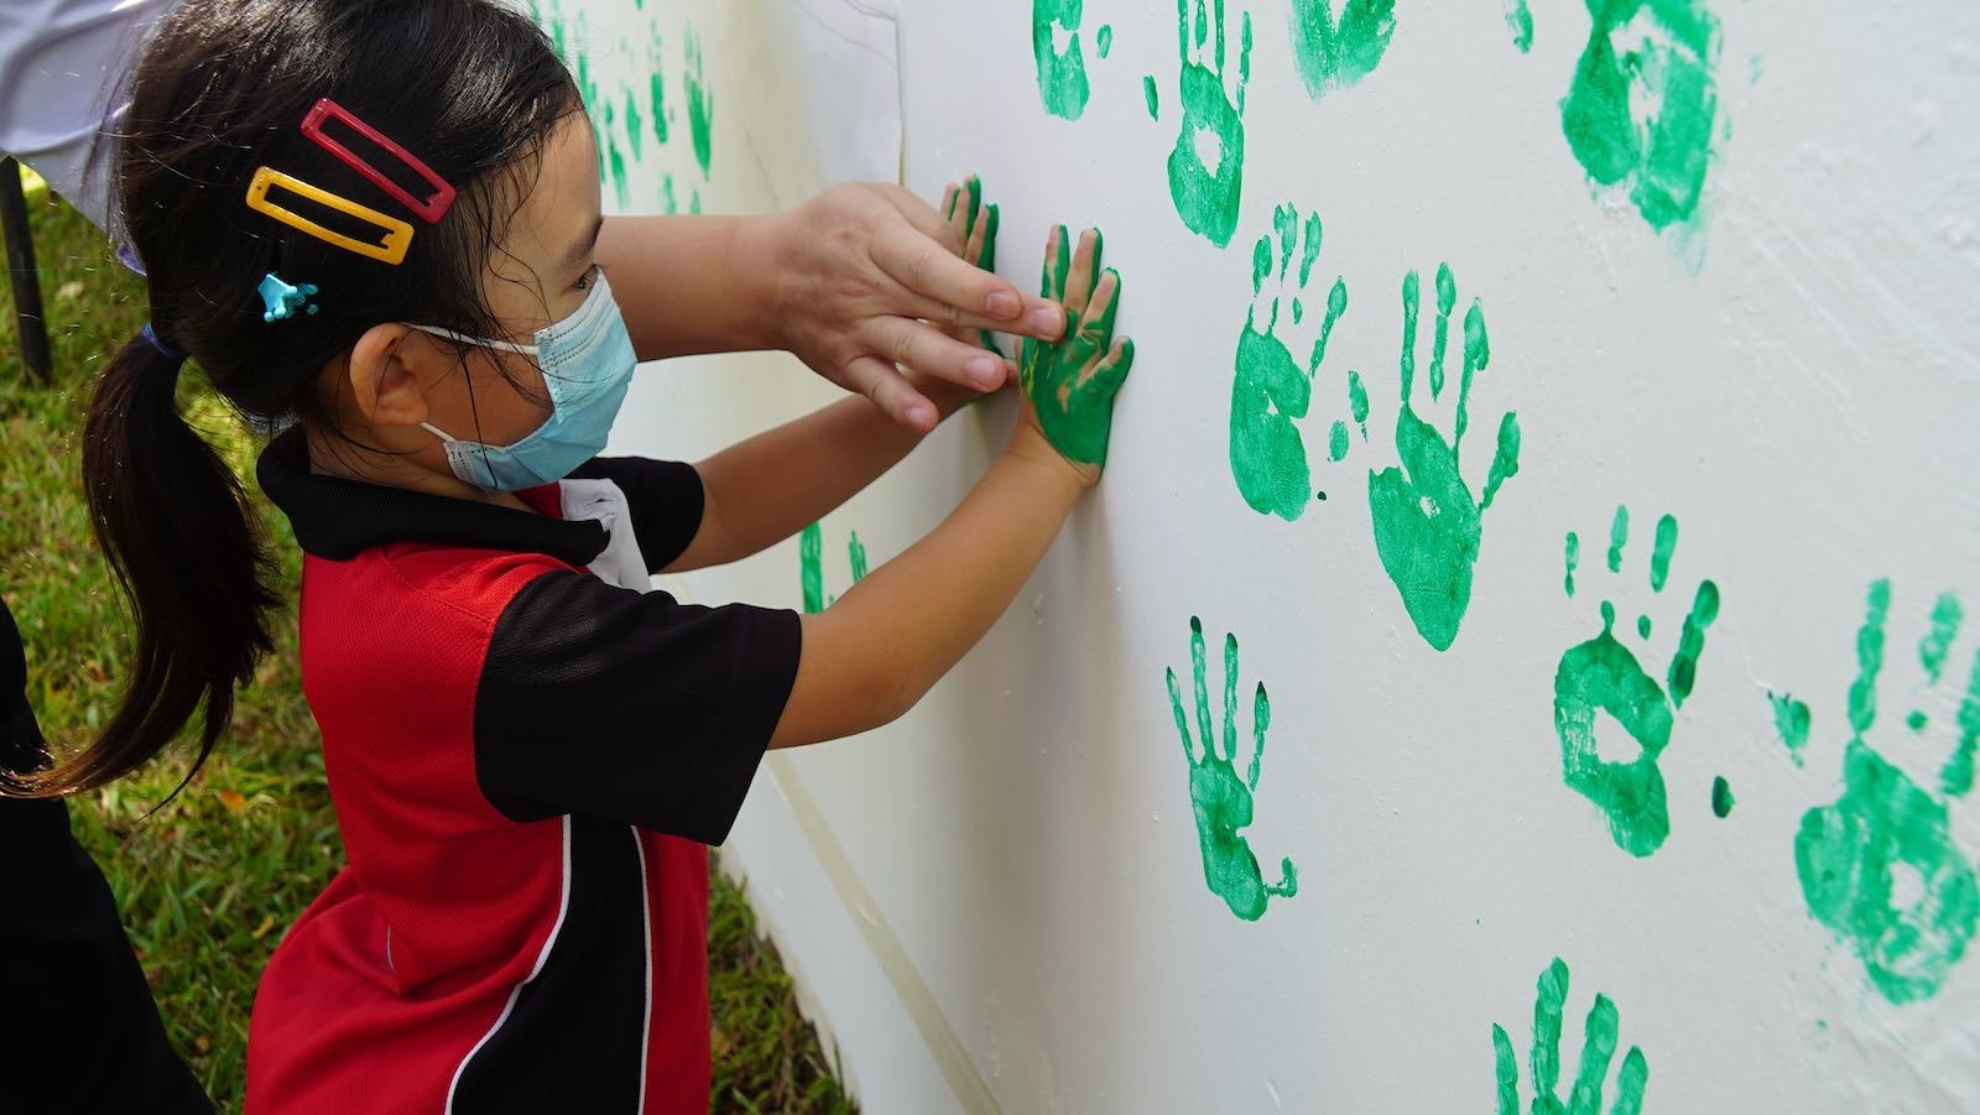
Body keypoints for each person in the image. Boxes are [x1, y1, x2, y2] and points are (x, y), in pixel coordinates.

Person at [10, 0, 1136, 1109]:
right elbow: (859, 669)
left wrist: (922, 399)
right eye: (579, 277)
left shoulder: (444, 490)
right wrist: (1041, 467)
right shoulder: (496, 645)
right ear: (394, 375)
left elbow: (717, 503)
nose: (606, 310)